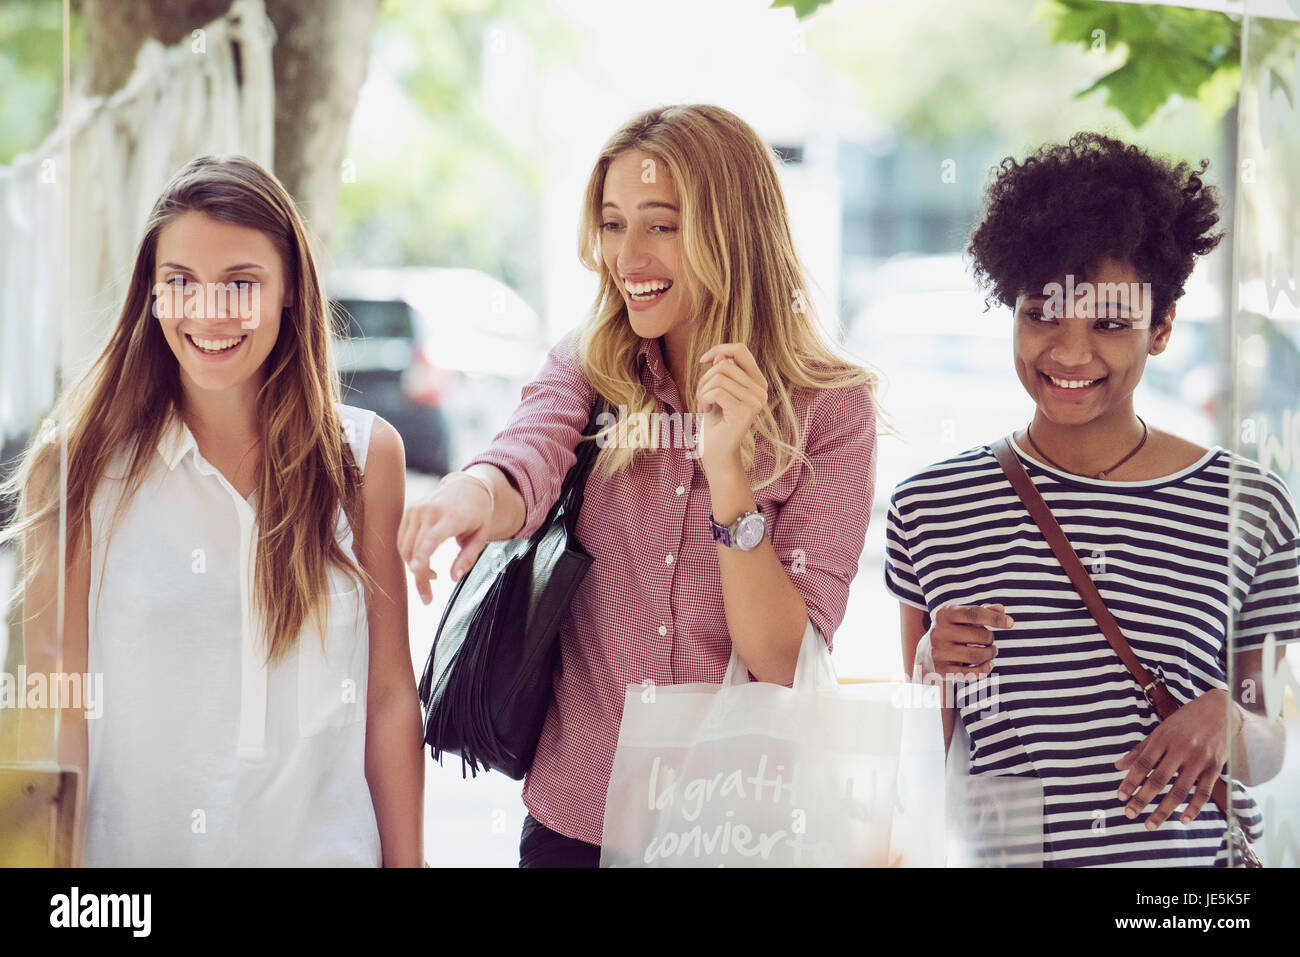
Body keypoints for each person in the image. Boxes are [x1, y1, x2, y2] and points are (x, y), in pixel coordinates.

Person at [399, 104, 879, 867]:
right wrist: (475, 491)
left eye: (661, 224)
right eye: (613, 224)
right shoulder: (589, 365)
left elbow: (784, 662)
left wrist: (729, 475)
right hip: (579, 818)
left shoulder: (832, 405)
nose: (628, 255)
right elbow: (528, 450)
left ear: (734, 229)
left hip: (742, 830)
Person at [885, 132, 1299, 866]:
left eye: (1110, 323)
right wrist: (927, 669)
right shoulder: (932, 506)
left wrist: (1230, 718)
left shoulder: (1250, 505)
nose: (1070, 353)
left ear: (1162, 327)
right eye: (1042, 313)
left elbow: (1270, 750)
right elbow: (920, 761)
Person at [1, 155, 424, 866]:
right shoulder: (76, 467)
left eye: (241, 283)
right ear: (152, 296)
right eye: (181, 284)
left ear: (291, 288)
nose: (208, 311)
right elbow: (50, 712)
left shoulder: (364, 458)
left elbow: (387, 700)